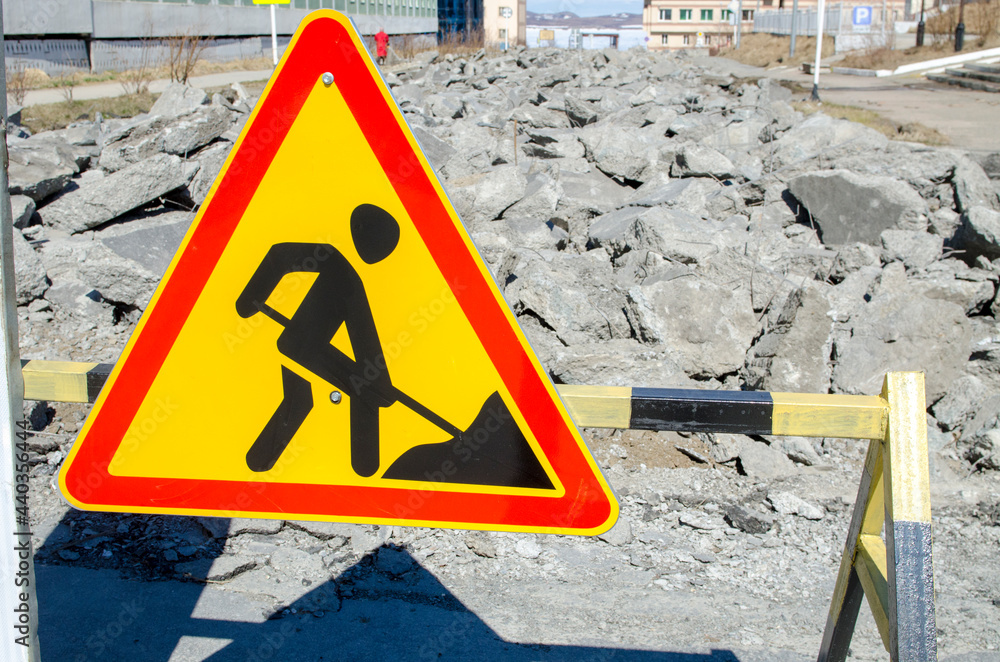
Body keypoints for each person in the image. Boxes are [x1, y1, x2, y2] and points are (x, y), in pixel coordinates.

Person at [236, 204, 401, 478]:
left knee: (323, 396)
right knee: (328, 395)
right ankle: (365, 464)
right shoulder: (336, 262)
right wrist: (248, 299)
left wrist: (379, 383)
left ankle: (365, 465)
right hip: (300, 343)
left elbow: (363, 335)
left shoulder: (351, 278)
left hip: (305, 347)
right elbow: (280, 256)